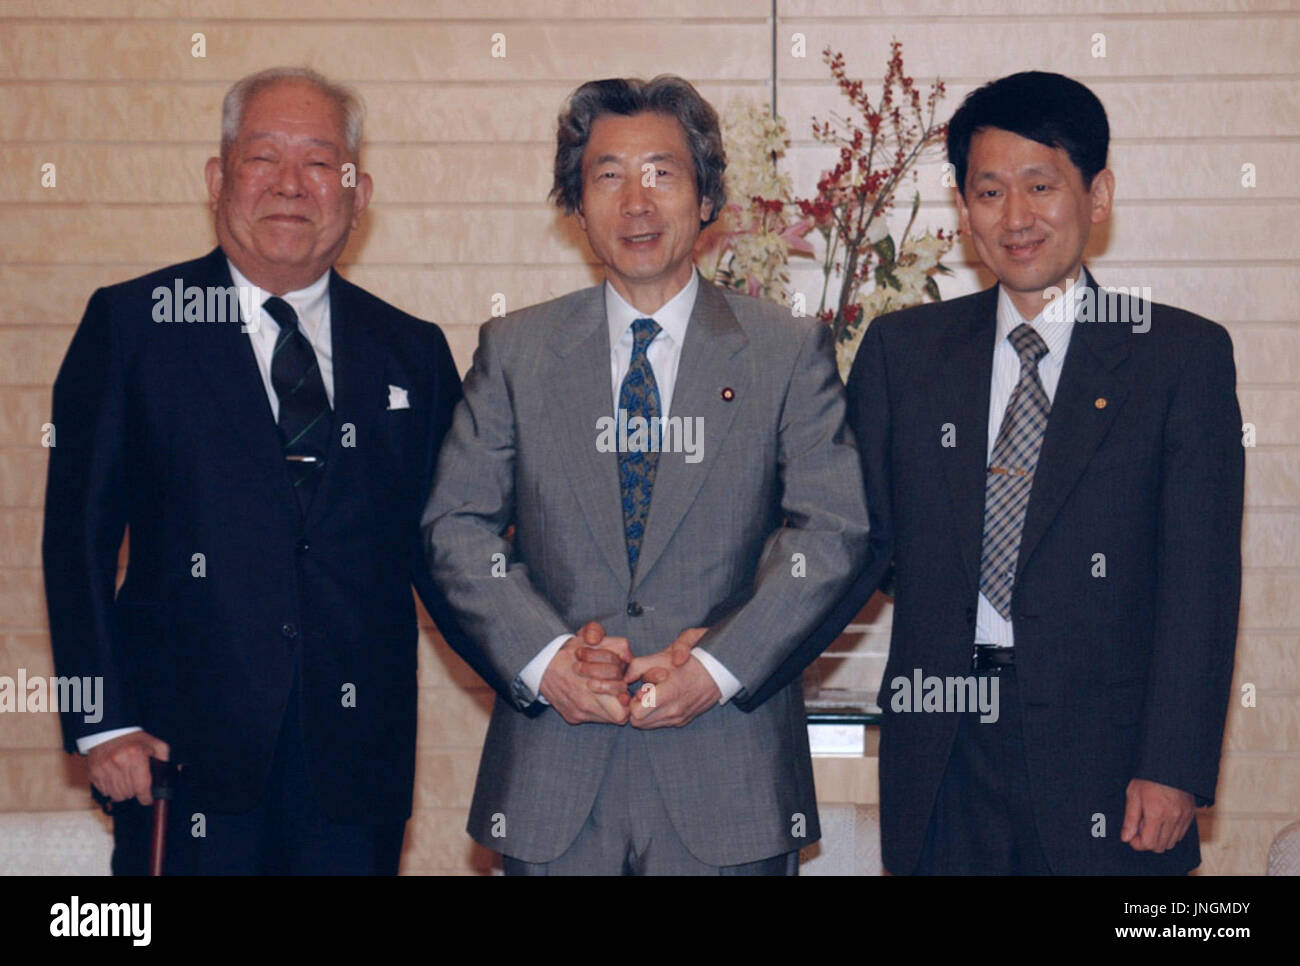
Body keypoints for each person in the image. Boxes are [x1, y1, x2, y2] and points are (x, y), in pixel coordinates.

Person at [773, 70, 1243, 874]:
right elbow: (846, 545)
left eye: (1041, 186)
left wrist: (1173, 766)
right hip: (943, 752)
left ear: (1097, 196)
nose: (1016, 217)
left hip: (1113, 764)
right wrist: (727, 655)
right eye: (989, 191)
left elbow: (1199, 583)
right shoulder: (904, 354)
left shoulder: (1177, 357)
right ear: (963, 210)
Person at [42, 66, 491, 874]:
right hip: (175, 765)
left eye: (321, 162)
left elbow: (451, 549)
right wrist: (102, 722)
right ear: (219, 178)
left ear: (358, 194)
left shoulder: (412, 352)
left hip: (356, 774)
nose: (292, 184)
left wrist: (546, 669)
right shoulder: (134, 326)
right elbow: (74, 543)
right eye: (263, 157)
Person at [422, 75, 870, 875]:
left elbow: (833, 532)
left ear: (707, 200)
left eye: (663, 174)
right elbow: (456, 528)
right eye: (608, 176)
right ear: (577, 204)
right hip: (557, 773)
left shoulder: (785, 350)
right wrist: (546, 658)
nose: (637, 201)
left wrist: (718, 665)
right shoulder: (516, 352)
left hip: (728, 768)